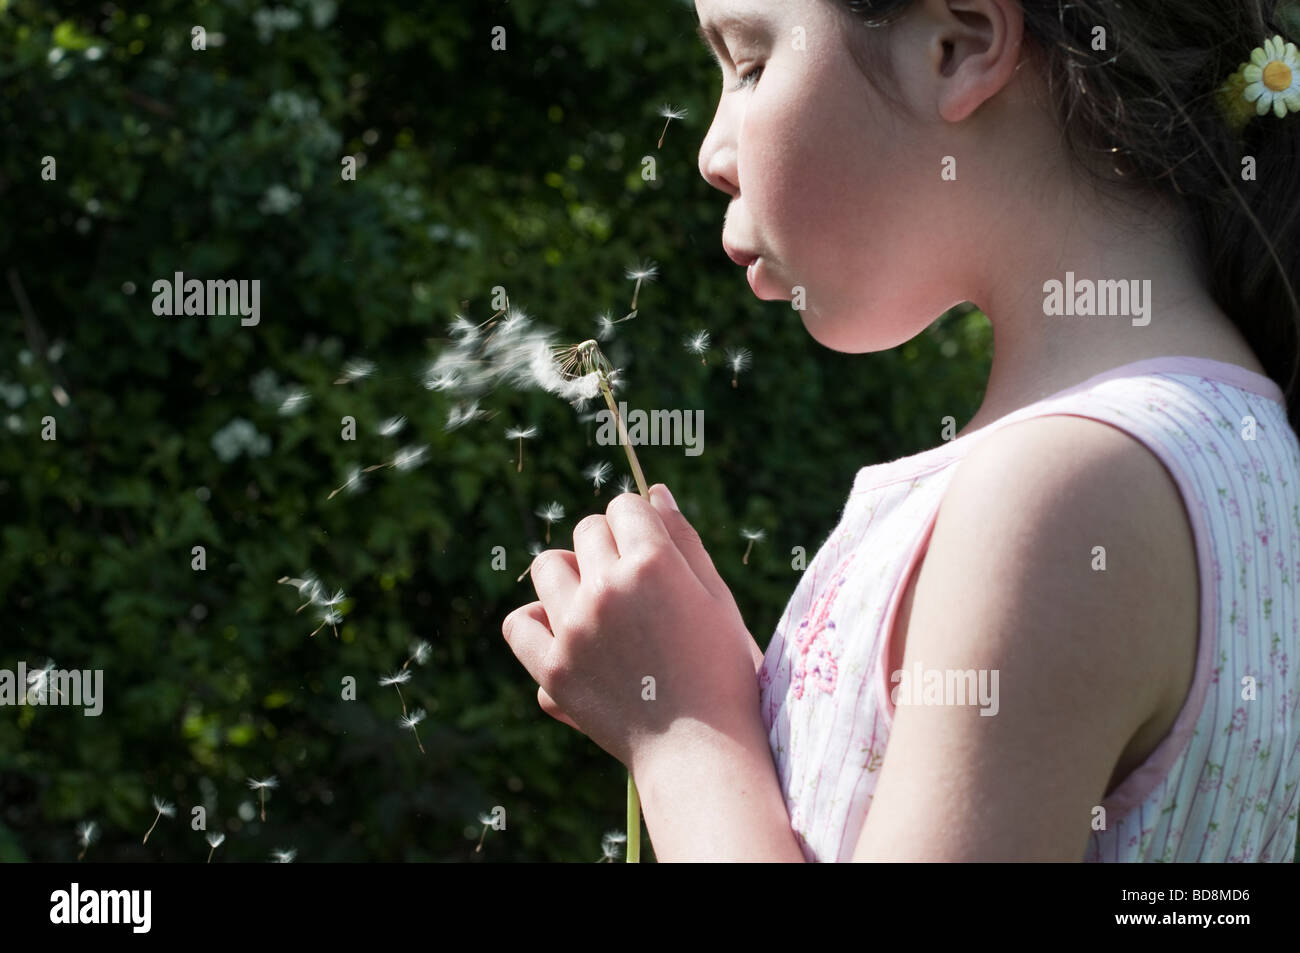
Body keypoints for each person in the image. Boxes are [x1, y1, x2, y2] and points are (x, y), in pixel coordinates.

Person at [502, 0, 1300, 861]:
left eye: (751, 64)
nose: (710, 154)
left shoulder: (1058, 496)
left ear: (957, 46)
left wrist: (682, 734)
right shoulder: (1236, 451)